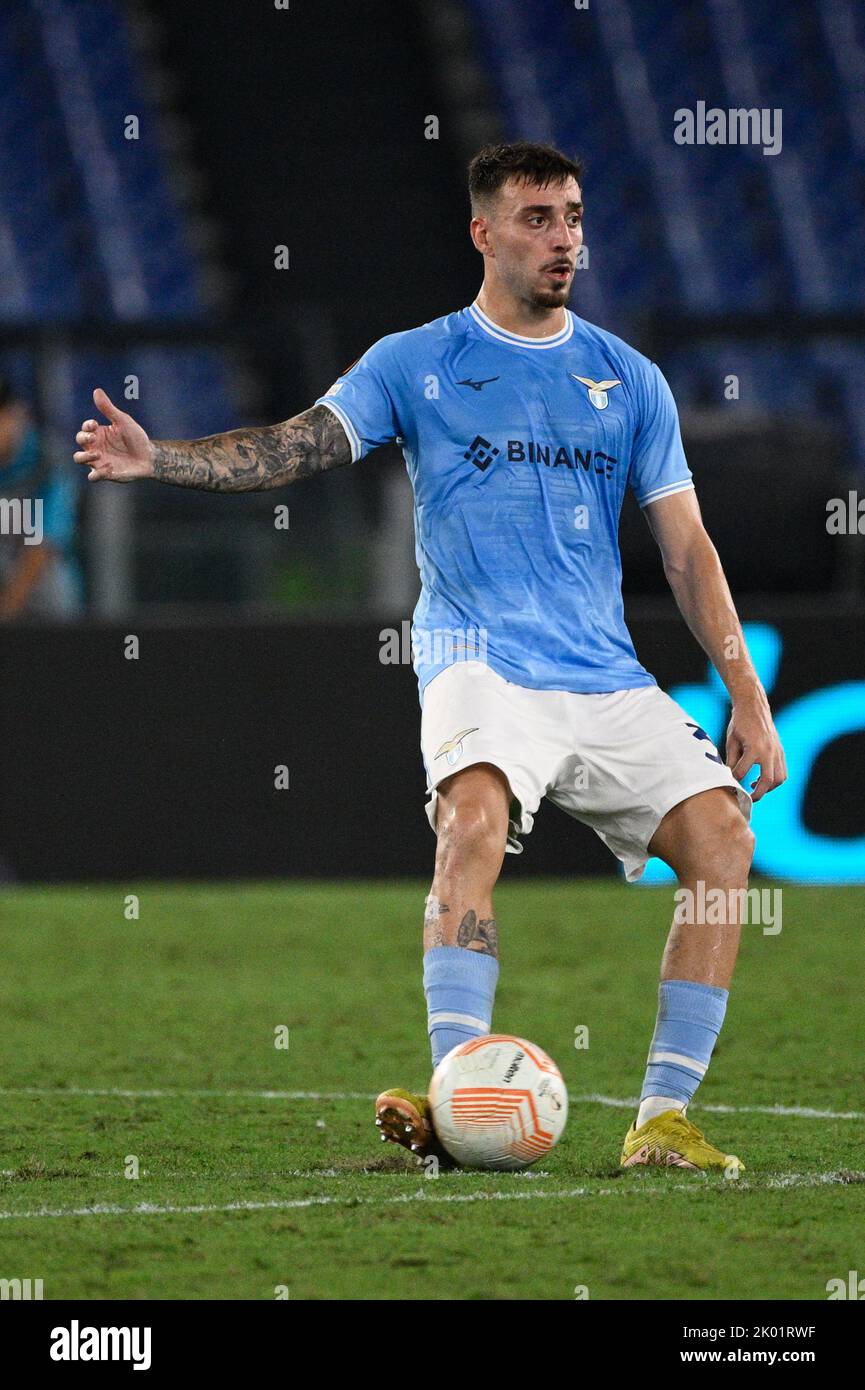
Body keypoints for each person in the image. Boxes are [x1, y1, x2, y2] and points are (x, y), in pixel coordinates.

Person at [73, 141, 786, 1172]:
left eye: (574, 217)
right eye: (538, 217)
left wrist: (747, 694)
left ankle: (660, 1121)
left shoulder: (627, 379)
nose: (564, 239)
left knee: (722, 839)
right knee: (473, 814)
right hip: (476, 656)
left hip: (602, 670)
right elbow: (295, 445)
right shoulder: (417, 361)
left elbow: (685, 549)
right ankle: (457, 1096)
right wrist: (162, 460)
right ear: (482, 231)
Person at [1, 378, 82, 620]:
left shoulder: (47, 461)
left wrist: (5, 615)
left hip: (39, 588)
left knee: (54, 581)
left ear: (15, 414)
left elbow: (44, 546)